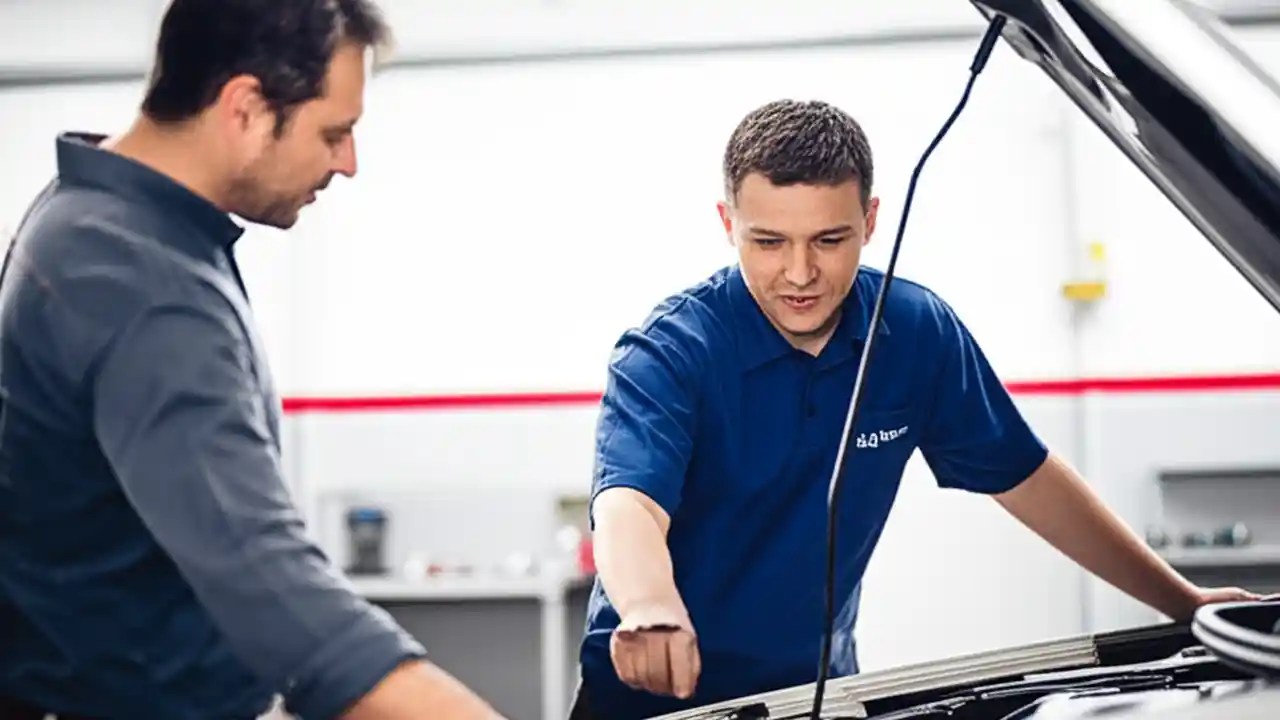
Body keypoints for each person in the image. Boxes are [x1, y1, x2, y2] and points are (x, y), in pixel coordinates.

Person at [572, 98, 1267, 720]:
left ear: (871, 220)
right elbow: (629, 506)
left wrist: (1183, 601)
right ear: (729, 224)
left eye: (829, 240)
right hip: (652, 701)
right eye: (769, 241)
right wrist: (650, 606)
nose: (800, 273)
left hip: (814, 695)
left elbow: (1026, 477)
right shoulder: (670, 351)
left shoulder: (913, 333)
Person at [0, 1, 502, 719]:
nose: (348, 163)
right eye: (333, 132)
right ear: (245, 108)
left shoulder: (95, 218)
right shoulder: (136, 284)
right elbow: (274, 589)